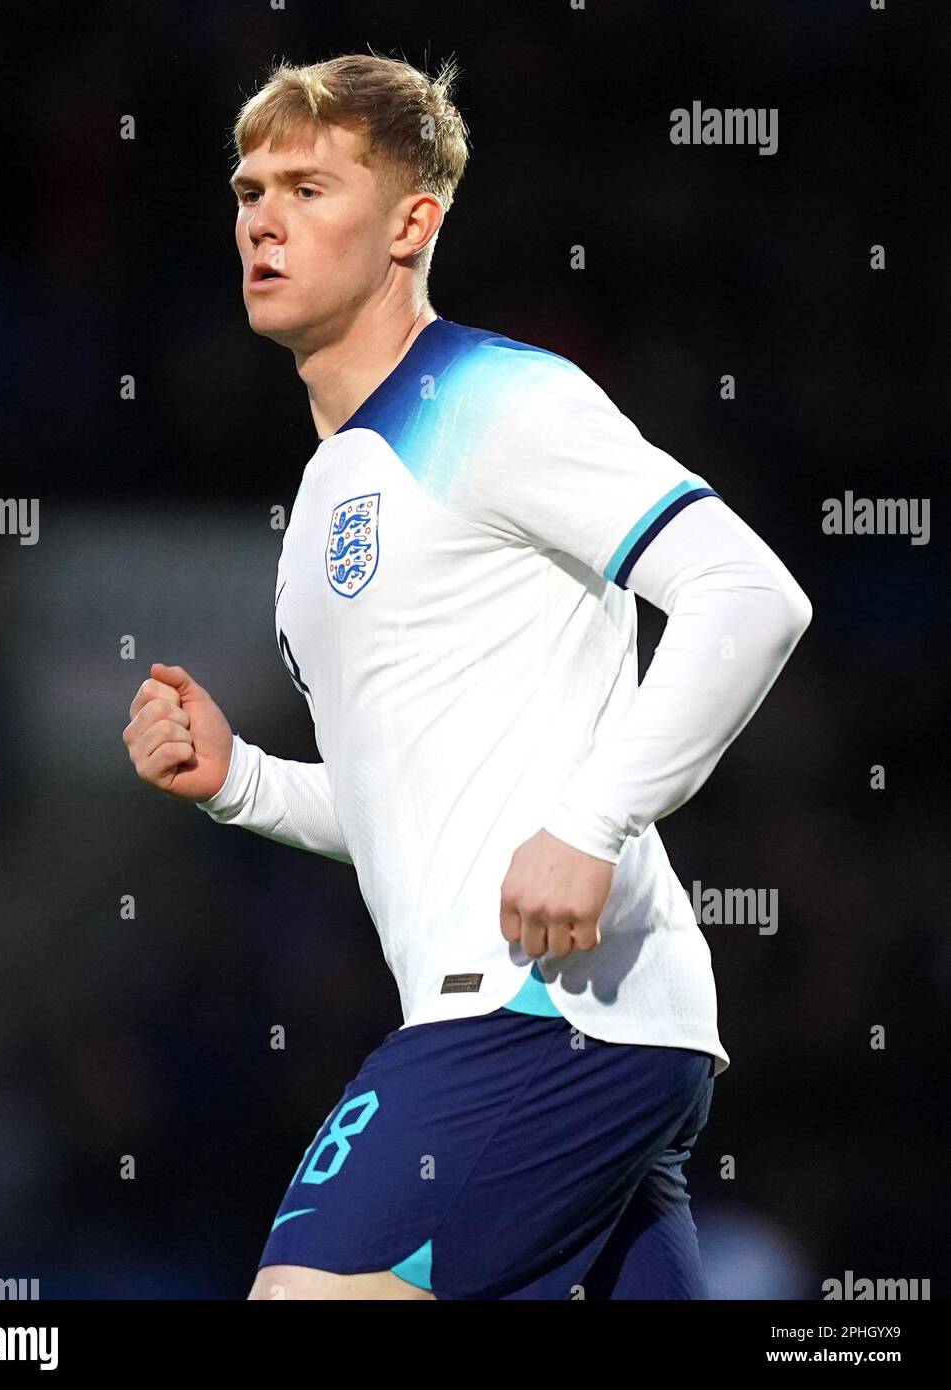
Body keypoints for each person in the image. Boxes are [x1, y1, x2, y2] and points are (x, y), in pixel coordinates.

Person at [122, 53, 811, 1300]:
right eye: (247, 188)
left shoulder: (494, 398)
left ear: (412, 223)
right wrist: (243, 784)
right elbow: (411, 803)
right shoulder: (328, 495)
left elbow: (751, 596)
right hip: (603, 1034)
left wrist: (594, 822)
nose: (261, 218)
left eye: (309, 186)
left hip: (536, 1015)